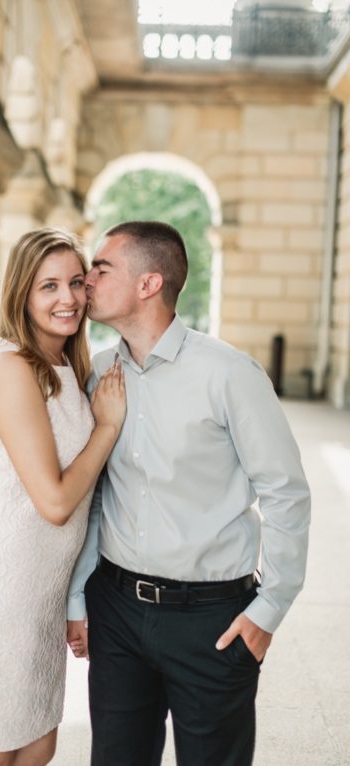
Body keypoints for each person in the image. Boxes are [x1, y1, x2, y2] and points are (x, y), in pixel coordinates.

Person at [65, 220, 311, 766]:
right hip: (117, 614)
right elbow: (96, 497)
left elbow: (286, 493)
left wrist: (270, 608)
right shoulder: (98, 374)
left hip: (213, 620)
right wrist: (79, 596)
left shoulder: (229, 374)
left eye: (102, 269)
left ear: (149, 284)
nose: (87, 278)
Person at [0, 228, 127, 766]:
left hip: (41, 593)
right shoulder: (11, 369)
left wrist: (74, 597)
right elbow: (56, 502)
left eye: (76, 283)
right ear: (21, 294)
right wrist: (106, 429)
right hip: (1, 588)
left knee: (37, 746)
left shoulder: (65, 368)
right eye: (48, 286)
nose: (68, 299)